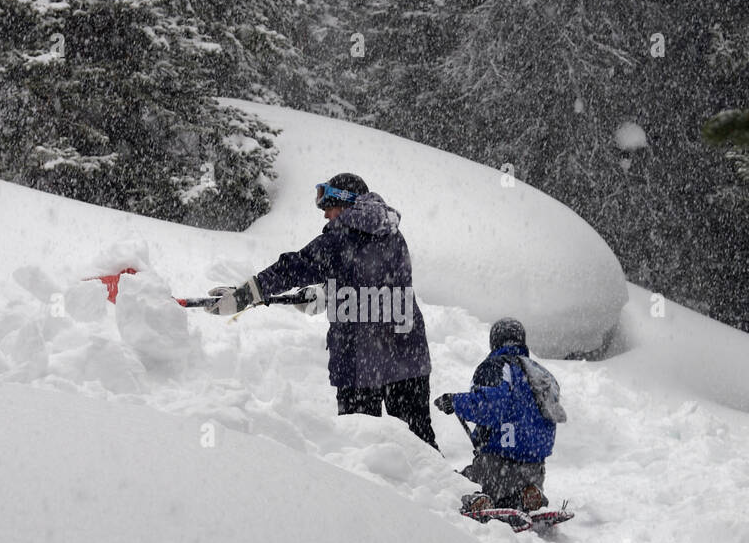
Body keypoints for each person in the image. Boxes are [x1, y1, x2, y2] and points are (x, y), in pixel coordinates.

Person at [207, 173, 438, 450]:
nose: (326, 215)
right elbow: (374, 282)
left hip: (361, 362)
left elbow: (292, 267)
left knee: (363, 450)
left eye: (328, 206)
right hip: (408, 357)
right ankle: (451, 492)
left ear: (344, 203)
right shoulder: (393, 234)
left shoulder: (339, 239)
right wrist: (327, 294)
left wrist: (245, 294)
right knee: (422, 449)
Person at [434, 318, 566, 512]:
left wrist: (455, 401)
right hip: (535, 468)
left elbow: (489, 406)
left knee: (451, 486)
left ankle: (479, 498)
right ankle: (526, 495)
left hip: (497, 465)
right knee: (508, 498)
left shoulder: (495, 367)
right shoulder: (540, 373)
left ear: (494, 341)